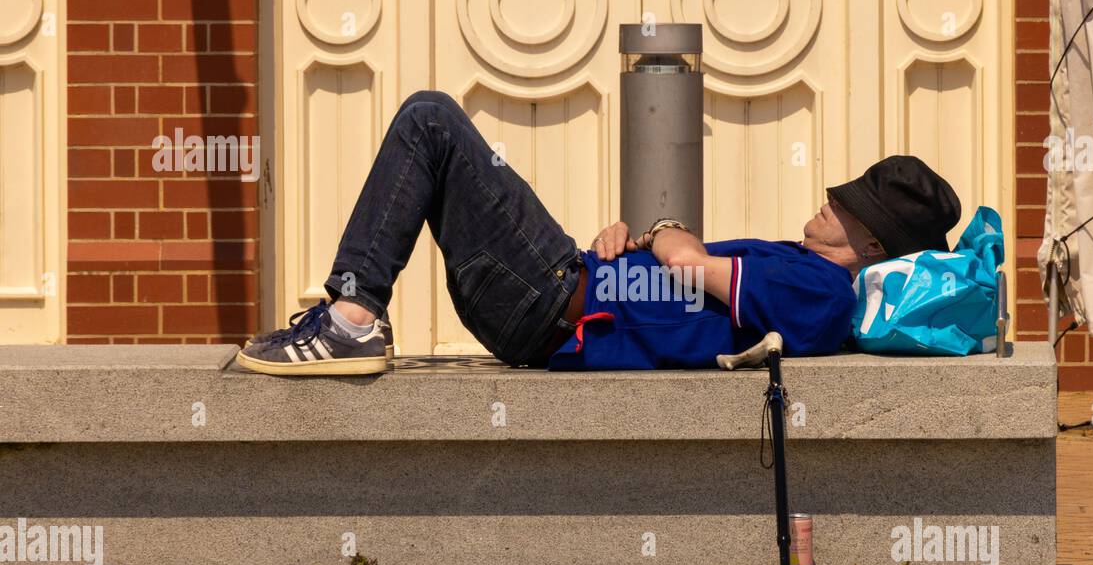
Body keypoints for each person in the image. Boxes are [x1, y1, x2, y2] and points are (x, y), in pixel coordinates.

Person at [237, 91, 961, 375]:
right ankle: (350, 312)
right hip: (559, 289)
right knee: (435, 134)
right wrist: (637, 241)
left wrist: (666, 236)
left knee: (430, 120)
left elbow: (689, 260)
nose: (827, 204)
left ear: (871, 246)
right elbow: (676, 261)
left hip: (553, 304)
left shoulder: (823, 292)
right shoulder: (804, 264)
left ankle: (353, 315)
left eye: (848, 207)